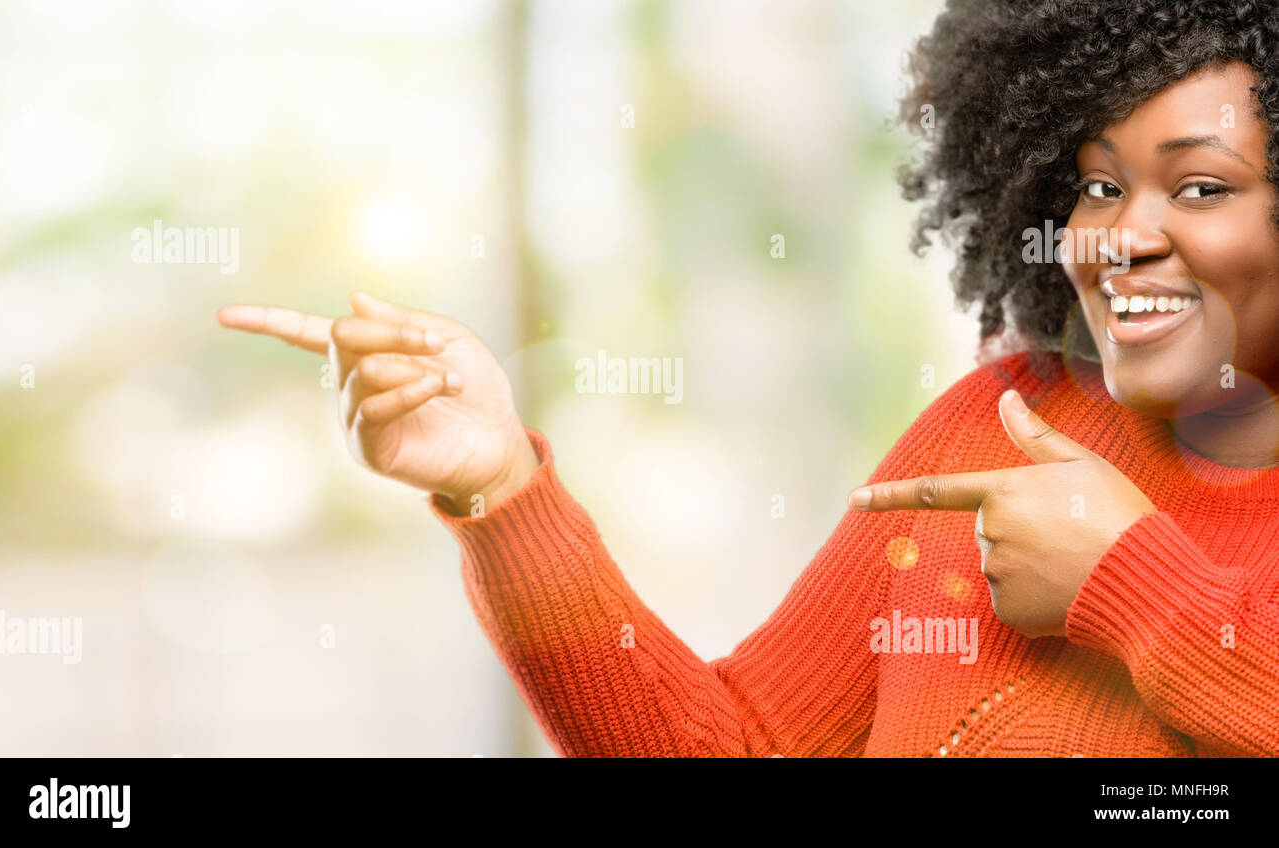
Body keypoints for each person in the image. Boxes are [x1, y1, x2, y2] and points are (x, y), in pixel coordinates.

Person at [219, 1, 1279, 756]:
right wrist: (501, 491)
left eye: (1197, 185)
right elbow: (739, 744)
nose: (1122, 235)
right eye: (1096, 185)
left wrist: (1125, 581)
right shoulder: (999, 421)